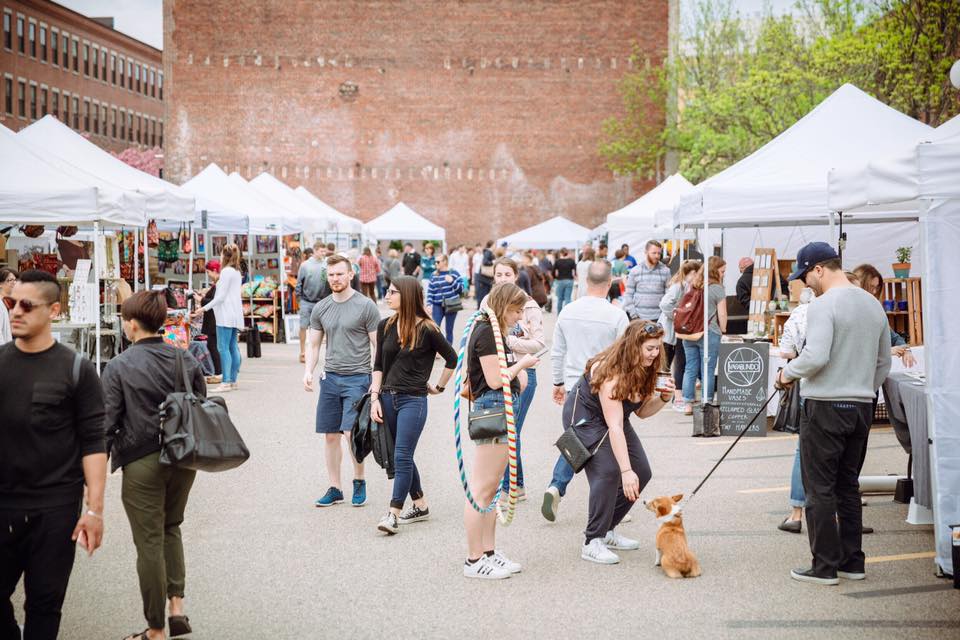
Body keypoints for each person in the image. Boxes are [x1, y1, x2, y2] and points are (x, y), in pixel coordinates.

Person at [777, 242, 891, 585]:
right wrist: (861, 386)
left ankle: (824, 566)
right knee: (847, 486)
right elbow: (884, 362)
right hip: (860, 406)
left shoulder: (823, 305)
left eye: (806, 276)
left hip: (825, 406)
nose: (806, 284)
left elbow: (815, 356)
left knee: (819, 488)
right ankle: (853, 562)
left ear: (819, 270)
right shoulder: (873, 305)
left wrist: (786, 374)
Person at [0, 270, 106, 639]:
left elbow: (94, 442)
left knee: (45, 603)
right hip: (4, 503)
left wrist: (94, 511)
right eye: (11, 302)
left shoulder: (76, 369)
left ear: (54, 310)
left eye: (27, 305)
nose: (15, 311)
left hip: (56, 507)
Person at [102, 291, 207, 640]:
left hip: (140, 458)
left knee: (148, 541)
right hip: (183, 456)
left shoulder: (119, 365)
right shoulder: (184, 358)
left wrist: (91, 474)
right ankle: (177, 607)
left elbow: (106, 422)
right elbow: (201, 404)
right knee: (171, 527)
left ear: (132, 324)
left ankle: (156, 628)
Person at [575, 320, 672, 563]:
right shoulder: (611, 372)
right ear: (633, 346)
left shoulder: (648, 367)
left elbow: (641, 412)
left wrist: (663, 398)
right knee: (609, 471)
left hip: (615, 417)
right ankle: (592, 541)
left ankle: (608, 530)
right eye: (650, 348)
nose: (655, 353)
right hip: (586, 416)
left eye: (658, 347)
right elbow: (614, 426)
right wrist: (625, 470)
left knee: (643, 471)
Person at [461, 283, 538, 579]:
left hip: (498, 406)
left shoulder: (491, 331)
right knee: (482, 489)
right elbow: (495, 380)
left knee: (492, 489)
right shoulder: (486, 332)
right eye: (517, 311)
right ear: (504, 305)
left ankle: (489, 553)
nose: (519, 317)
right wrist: (523, 365)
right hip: (493, 407)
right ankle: (473, 559)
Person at [542, 261, 629, 522]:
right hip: (607, 384)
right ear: (611, 282)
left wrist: (557, 382)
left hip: (574, 383)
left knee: (580, 439)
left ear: (585, 280)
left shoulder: (568, 311)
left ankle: (558, 485)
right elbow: (625, 356)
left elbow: (557, 352)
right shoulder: (617, 315)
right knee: (612, 441)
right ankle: (613, 502)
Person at [371, 276, 457, 535]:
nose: (387, 296)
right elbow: (378, 365)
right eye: (387, 291)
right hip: (386, 398)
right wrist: (375, 397)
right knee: (401, 454)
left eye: (393, 292)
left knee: (401, 456)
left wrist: (439, 387)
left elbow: (452, 358)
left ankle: (393, 514)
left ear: (407, 296)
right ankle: (420, 505)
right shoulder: (384, 325)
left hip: (413, 400)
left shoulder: (428, 329)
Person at [304, 254, 381, 508]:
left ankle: (359, 480)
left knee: (352, 433)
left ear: (351, 275)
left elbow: (378, 346)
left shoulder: (366, 306)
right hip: (330, 378)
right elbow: (314, 345)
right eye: (331, 274)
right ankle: (335, 487)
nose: (335, 278)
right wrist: (308, 371)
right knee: (330, 436)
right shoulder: (321, 307)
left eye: (340, 274)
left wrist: (377, 381)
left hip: (358, 378)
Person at [491, 257, 546, 501]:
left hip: (523, 372)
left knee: (512, 430)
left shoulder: (529, 305)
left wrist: (508, 341)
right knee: (500, 429)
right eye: (498, 274)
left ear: (515, 276)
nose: (502, 279)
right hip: (496, 369)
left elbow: (539, 343)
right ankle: (508, 484)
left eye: (507, 275)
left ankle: (513, 486)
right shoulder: (488, 301)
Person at [776, 286, 815, 534]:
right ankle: (836, 515)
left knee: (803, 450)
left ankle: (796, 513)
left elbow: (786, 351)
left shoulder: (798, 314)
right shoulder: (834, 310)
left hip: (808, 386)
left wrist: (786, 374)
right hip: (839, 390)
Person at [680, 256, 727, 414]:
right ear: (715, 271)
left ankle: (687, 403)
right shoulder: (717, 288)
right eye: (722, 271)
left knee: (690, 367)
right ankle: (706, 402)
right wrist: (724, 330)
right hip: (709, 333)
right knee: (708, 368)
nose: (723, 274)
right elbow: (722, 314)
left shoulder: (692, 286)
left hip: (690, 333)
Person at [195, 243, 244, 392]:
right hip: (235, 313)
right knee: (232, 347)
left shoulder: (226, 272)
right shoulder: (236, 272)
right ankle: (233, 380)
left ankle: (226, 381)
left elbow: (220, 297)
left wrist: (203, 308)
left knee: (223, 348)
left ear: (225, 256)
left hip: (225, 314)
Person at [852, 264, 917, 367]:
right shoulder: (848, 312)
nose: (874, 292)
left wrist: (906, 350)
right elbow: (855, 349)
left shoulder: (874, 311)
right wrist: (886, 352)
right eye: (871, 287)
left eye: (876, 287)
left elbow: (894, 338)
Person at [658, 260, 700, 411]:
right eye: (697, 273)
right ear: (692, 273)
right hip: (671, 331)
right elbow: (664, 304)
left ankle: (676, 395)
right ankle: (664, 394)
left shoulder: (688, 286)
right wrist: (677, 315)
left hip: (679, 331)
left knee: (680, 362)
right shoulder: (678, 286)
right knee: (667, 363)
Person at [295, 241, 329, 363]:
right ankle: (302, 351)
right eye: (321, 251)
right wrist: (299, 299)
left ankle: (315, 352)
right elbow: (298, 283)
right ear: (315, 251)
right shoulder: (305, 265)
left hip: (321, 301)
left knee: (320, 328)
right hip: (306, 300)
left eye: (325, 251)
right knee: (303, 326)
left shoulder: (326, 264)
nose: (324, 253)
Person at [623, 240, 671, 321]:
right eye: (654, 253)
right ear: (646, 252)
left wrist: (663, 316)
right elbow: (628, 295)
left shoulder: (665, 271)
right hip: (638, 319)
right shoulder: (635, 271)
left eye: (659, 253)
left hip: (659, 319)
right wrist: (634, 316)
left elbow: (668, 296)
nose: (657, 256)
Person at [192, 260, 222, 379]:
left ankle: (219, 372)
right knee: (214, 346)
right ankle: (219, 372)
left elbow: (216, 302)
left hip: (214, 320)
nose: (208, 274)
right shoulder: (217, 284)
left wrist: (201, 299)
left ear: (214, 271)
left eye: (208, 272)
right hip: (213, 319)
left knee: (214, 346)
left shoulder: (219, 284)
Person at [427, 254, 463, 344]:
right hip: (437, 305)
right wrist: (428, 304)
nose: (436, 263)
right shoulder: (433, 275)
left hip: (451, 304)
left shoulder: (454, 273)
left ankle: (448, 351)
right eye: (435, 261)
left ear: (445, 262)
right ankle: (437, 349)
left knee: (449, 330)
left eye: (438, 261)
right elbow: (430, 291)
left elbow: (461, 289)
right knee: (435, 328)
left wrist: (452, 281)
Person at [552, 248, 576, 313]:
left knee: (560, 299)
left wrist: (555, 278)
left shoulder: (557, 261)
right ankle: (567, 313)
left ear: (561, 253)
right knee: (568, 298)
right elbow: (574, 273)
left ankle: (559, 314)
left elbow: (554, 272)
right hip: (569, 280)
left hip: (560, 281)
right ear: (567, 253)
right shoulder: (571, 261)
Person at [474, 240, 496, 307]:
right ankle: (481, 307)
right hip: (484, 277)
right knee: (483, 294)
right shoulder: (488, 252)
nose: (495, 246)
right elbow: (485, 262)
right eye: (494, 245)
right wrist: (493, 262)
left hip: (485, 277)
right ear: (492, 245)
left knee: (484, 293)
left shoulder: (487, 252)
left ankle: (483, 307)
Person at [0, 268, 18, 345]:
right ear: (0, 284)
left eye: (15, 280)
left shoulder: (12, 302)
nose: (14, 282)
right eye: (10, 280)